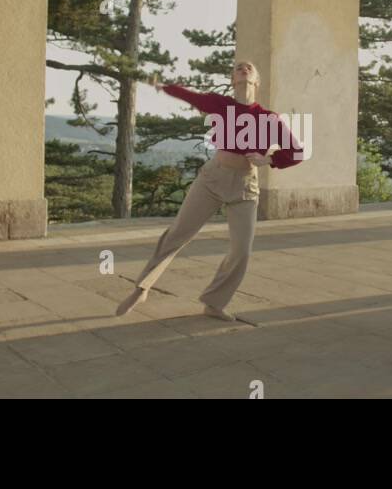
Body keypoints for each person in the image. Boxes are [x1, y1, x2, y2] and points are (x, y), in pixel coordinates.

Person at [115, 61, 304, 321]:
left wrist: (269, 159)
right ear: (232, 79)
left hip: (245, 186)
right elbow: (189, 95)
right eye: (238, 67)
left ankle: (214, 303)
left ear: (256, 80)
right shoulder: (220, 105)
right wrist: (162, 86)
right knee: (177, 234)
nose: (244, 68)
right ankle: (142, 287)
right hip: (213, 179)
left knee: (241, 251)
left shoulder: (269, 118)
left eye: (249, 67)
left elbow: (296, 152)